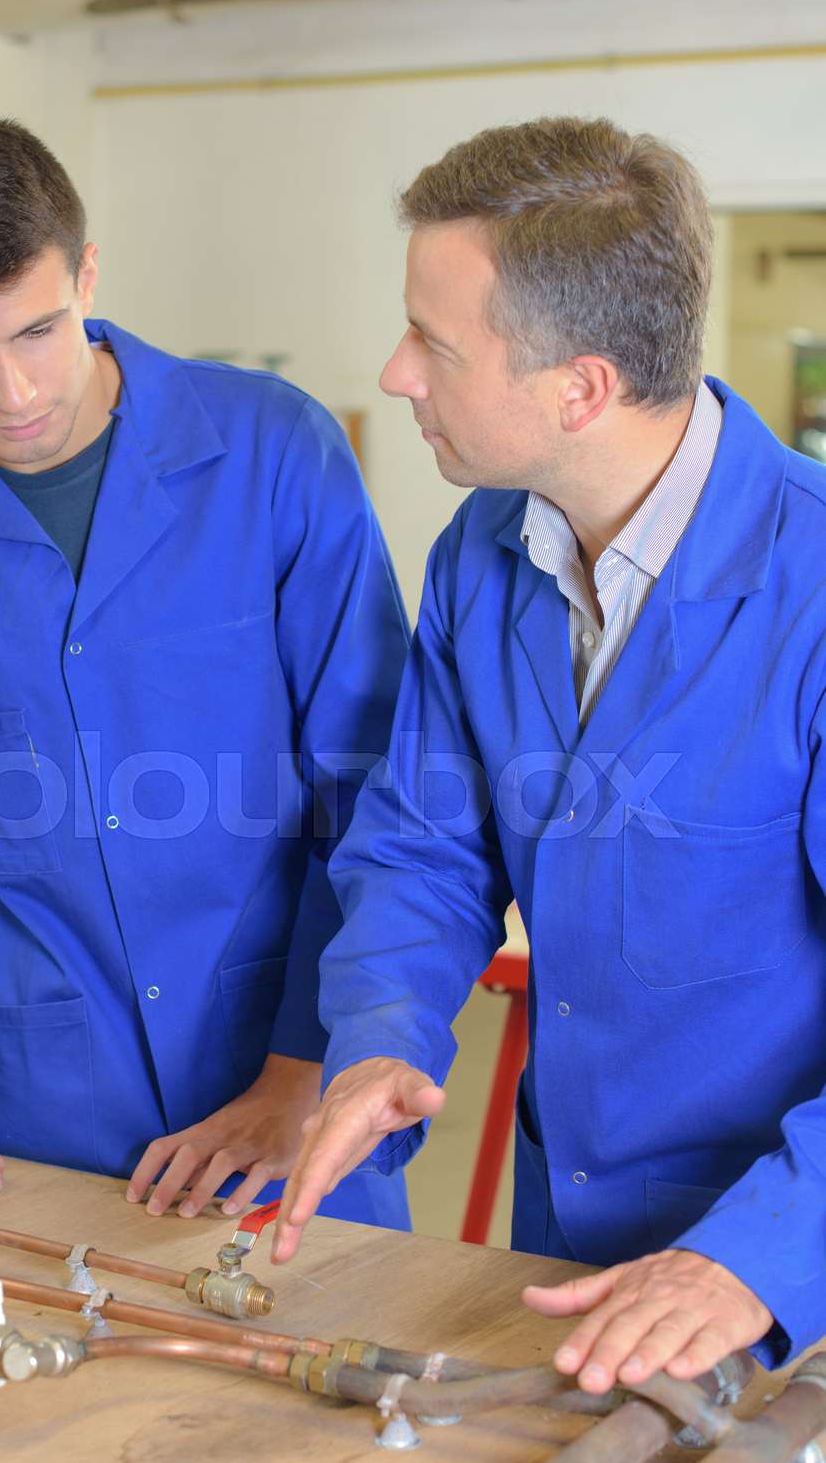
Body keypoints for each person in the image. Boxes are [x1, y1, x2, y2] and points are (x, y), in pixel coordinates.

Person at [273, 115, 826, 1393]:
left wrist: (762, 1256)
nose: (395, 373)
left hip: (775, 1268)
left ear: (577, 387)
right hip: (558, 1237)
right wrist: (379, 1035)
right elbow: (420, 847)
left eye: (433, 343)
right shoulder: (481, 556)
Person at [0, 114, 410, 1234]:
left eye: (38, 332)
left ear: (85, 274)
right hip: (52, 1087)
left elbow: (369, 785)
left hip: (287, 1059)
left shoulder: (272, 451)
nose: (14, 392)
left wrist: (301, 1067)